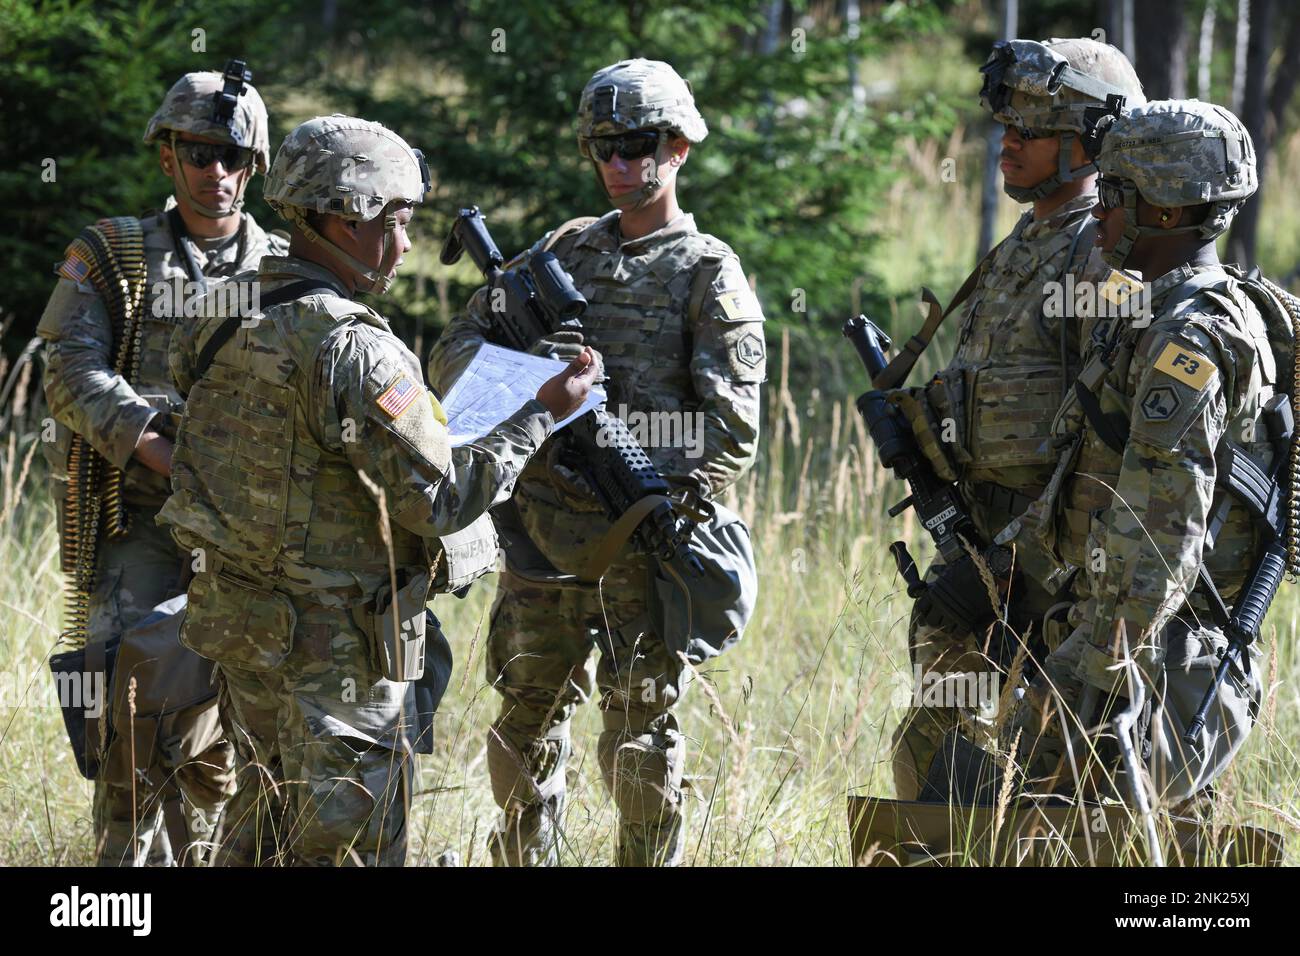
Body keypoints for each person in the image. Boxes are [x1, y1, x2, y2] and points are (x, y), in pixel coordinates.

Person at [157, 114, 596, 865]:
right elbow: (443, 500)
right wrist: (541, 414)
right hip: (340, 659)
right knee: (347, 847)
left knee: (256, 833)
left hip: (245, 630)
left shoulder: (216, 312)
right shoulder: (356, 348)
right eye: (395, 221)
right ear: (339, 219)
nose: (405, 244)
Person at [428, 58, 767, 866]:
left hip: (641, 542)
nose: (618, 164)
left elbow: (731, 435)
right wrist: (531, 380)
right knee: (524, 724)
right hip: (539, 539)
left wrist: (615, 433)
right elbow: (454, 353)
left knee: (640, 738)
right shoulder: (560, 253)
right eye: (603, 147)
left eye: (637, 146)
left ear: (679, 148)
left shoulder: (706, 272)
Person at [885, 38, 1145, 801]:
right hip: (976, 552)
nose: (1008, 143)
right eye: (1005, 125)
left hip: (1049, 570)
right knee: (937, 760)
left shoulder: (1100, 254)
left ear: (1087, 141)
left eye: (1030, 130)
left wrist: (1031, 562)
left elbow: (1113, 435)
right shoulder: (1020, 248)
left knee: (1049, 787)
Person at [38, 64, 285, 866]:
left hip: (254, 537)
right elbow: (69, 372)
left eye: (233, 157)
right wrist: (161, 448)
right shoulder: (114, 254)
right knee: (130, 717)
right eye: (199, 152)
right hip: (139, 522)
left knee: (242, 729)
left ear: (254, 167)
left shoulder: (285, 270)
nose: (216, 173)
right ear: (167, 157)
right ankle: (122, 880)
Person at [1006, 98, 1273, 807]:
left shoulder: (1184, 339)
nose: (1098, 209)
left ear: (1161, 210)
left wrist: (1105, 671)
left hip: (1144, 651)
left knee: (1009, 807)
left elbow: (1163, 520)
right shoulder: (1160, 310)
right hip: (1130, 633)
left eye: (1115, 193)